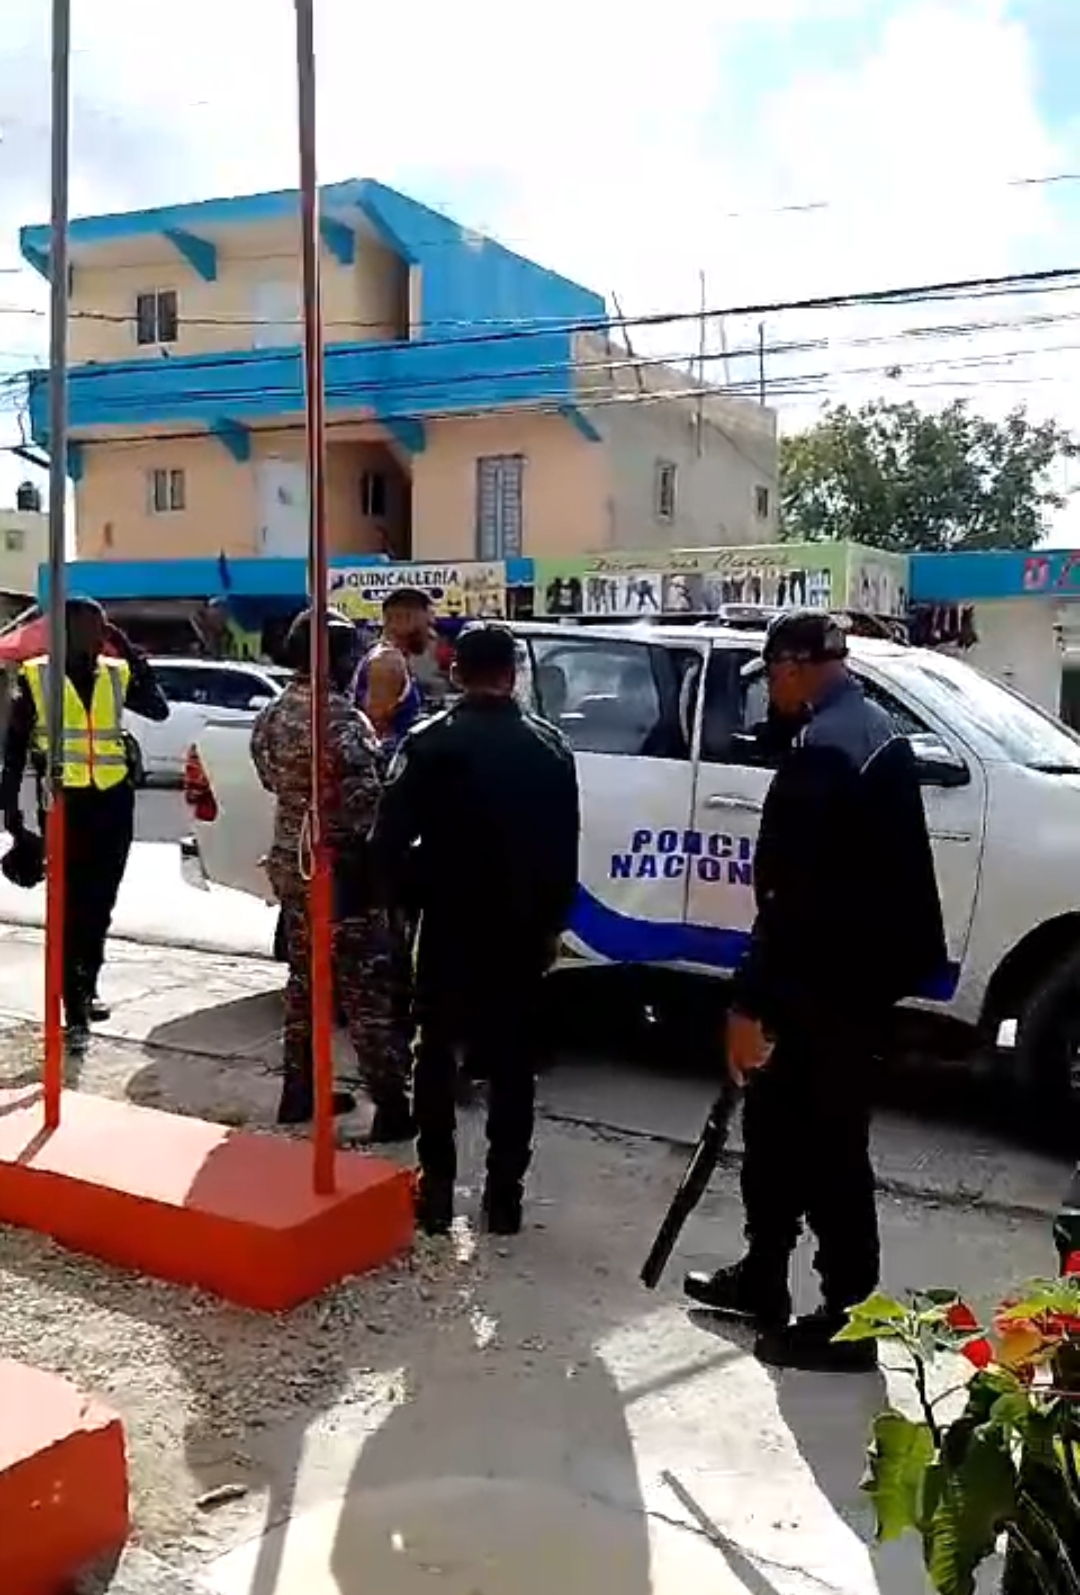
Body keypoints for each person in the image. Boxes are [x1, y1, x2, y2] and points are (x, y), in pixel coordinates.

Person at [684, 610, 947, 1373]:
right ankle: (763, 1272)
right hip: (844, 970)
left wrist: (745, 1003)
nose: (769, 691)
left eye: (770, 675)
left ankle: (850, 1315)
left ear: (793, 667)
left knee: (829, 1144)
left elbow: (788, 896)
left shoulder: (826, 750)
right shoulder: (865, 727)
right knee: (775, 1126)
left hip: (830, 979)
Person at [370, 622, 580, 1237]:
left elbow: (387, 839)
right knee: (513, 1065)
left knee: (434, 1056)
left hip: (447, 926)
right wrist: (550, 926)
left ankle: (436, 1193)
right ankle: (504, 1198)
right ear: (513, 672)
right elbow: (563, 850)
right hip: (521, 929)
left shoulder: (431, 742)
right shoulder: (551, 747)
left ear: (456, 672)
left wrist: (395, 903)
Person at [250, 607, 413, 1135]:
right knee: (364, 990)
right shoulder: (342, 720)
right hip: (339, 872)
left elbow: (269, 776)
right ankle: (391, 1105)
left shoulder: (276, 711)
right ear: (335, 657)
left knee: (305, 981)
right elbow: (370, 808)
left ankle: (299, 1090)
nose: (357, 662)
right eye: (350, 653)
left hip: (291, 863)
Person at [0, 598, 169, 1052]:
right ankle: (73, 1009)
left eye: (102, 629)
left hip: (114, 802)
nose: (97, 637)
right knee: (69, 908)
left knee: (100, 905)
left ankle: (87, 986)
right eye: (88, 628)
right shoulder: (36, 676)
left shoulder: (116, 672)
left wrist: (128, 648)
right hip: (64, 804)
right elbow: (13, 751)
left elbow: (158, 708)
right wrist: (13, 820)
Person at [355, 588, 432, 751]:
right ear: (404, 619)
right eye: (427, 624)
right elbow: (375, 736)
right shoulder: (387, 662)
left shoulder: (393, 658)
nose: (431, 633)